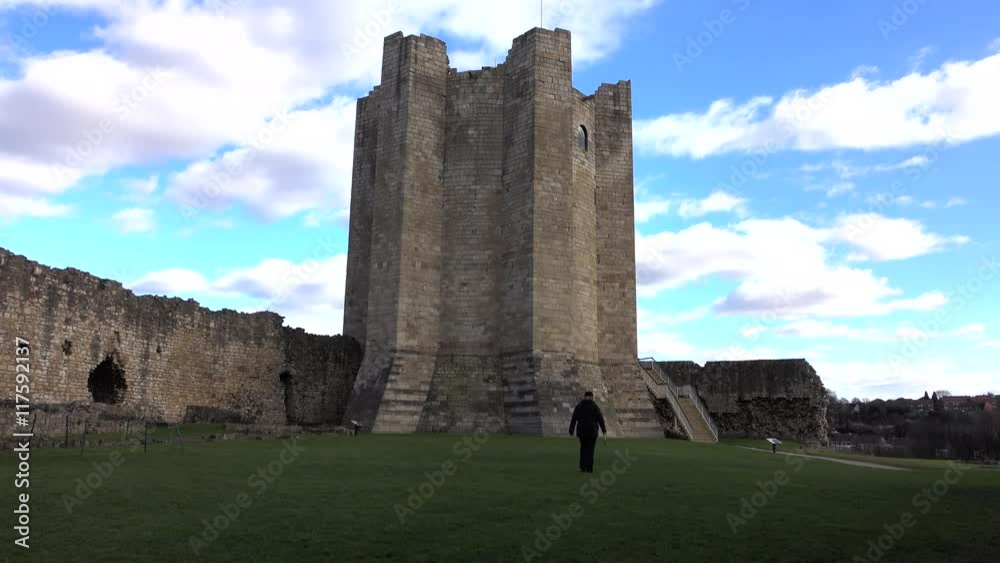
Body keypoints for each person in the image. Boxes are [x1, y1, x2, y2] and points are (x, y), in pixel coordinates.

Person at [568, 391, 607, 473]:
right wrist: (604, 430)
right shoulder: (594, 406)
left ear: (584, 396)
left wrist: (571, 430)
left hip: (582, 432)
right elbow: (600, 419)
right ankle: (589, 468)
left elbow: (574, 419)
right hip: (592, 432)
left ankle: (582, 467)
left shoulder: (579, 406)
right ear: (592, 397)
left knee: (583, 450)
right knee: (590, 450)